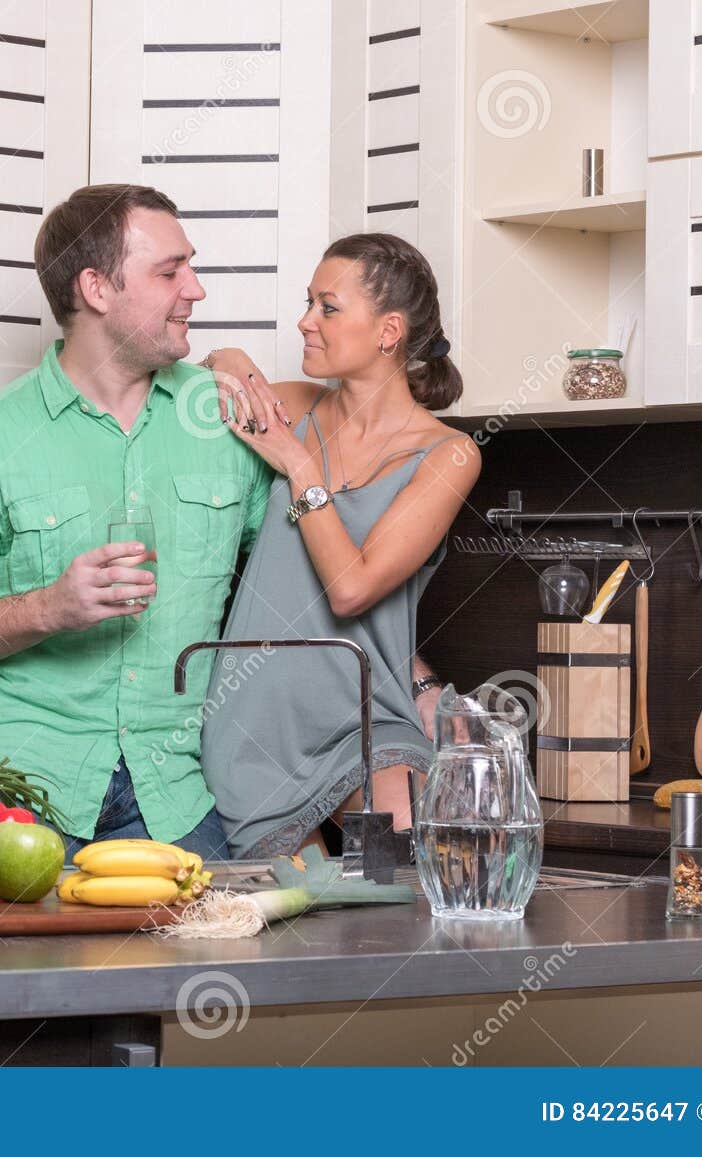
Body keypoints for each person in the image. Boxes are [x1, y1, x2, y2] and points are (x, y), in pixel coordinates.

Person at [0, 184, 273, 861]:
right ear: (96, 287)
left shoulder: (221, 421)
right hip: (13, 790)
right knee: (20, 966)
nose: (197, 289)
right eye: (170, 271)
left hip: (174, 791)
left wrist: (410, 679)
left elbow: (299, 575)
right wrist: (49, 607)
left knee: (222, 953)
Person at [199, 232, 480, 860]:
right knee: (293, 925)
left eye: (328, 307)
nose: (305, 322)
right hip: (255, 722)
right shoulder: (294, 406)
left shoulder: (446, 453)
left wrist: (299, 466)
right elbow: (214, 374)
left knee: (397, 892)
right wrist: (229, 353)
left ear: (388, 331)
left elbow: (352, 588)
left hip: (367, 714)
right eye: (309, 303)